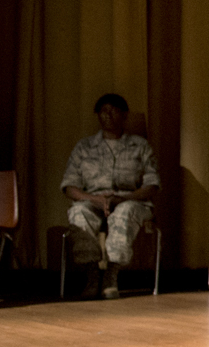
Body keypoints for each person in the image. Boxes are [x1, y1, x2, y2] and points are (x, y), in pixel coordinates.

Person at [60, 93, 159, 300]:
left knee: (125, 212)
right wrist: (96, 200)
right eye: (103, 111)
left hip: (130, 200)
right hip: (93, 200)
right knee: (78, 212)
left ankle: (111, 276)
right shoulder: (84, 147)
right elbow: (70, 187)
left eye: (113, 111)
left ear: (124, 116)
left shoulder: (139, 146)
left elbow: (152, 185)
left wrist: (122, 199)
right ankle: (93, 275)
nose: (108, 116)